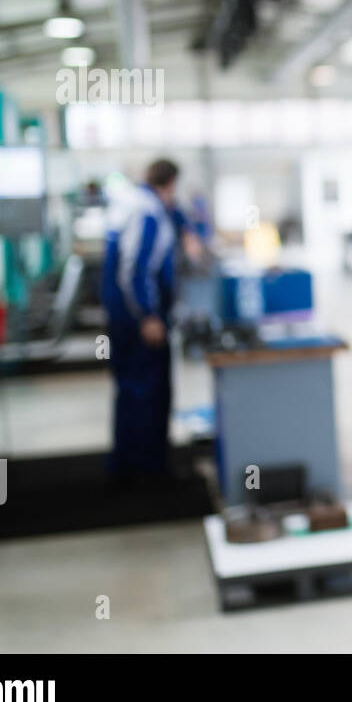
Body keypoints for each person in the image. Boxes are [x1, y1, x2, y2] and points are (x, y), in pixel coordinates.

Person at [101, 158, 201, 481]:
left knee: (130, 391)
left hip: (122, 317)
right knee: (150, 393)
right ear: (170, 184)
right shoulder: (149, 214)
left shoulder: (136, 202)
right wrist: (148, 316)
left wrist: (186, 226)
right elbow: (136, 270)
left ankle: (128, 466)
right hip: (138, 321)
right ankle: (149, 472)